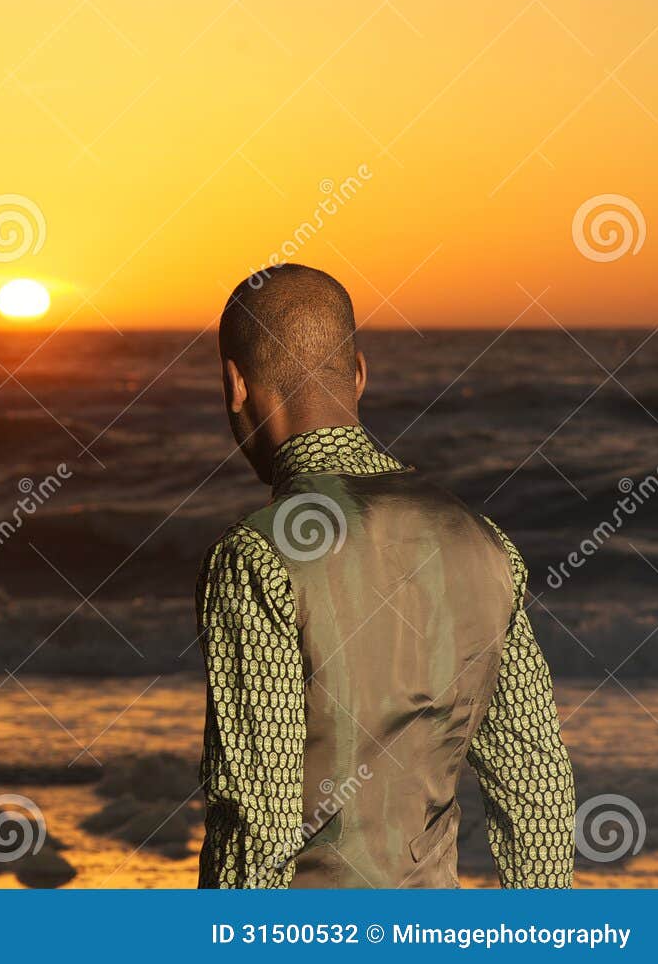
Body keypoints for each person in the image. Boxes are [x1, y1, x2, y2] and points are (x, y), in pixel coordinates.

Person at [196, 264, 576, 888]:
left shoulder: (256, 557)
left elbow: (257, 816)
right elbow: (535, 785)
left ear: (235, 384)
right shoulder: (485, 543)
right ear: (360, 375)